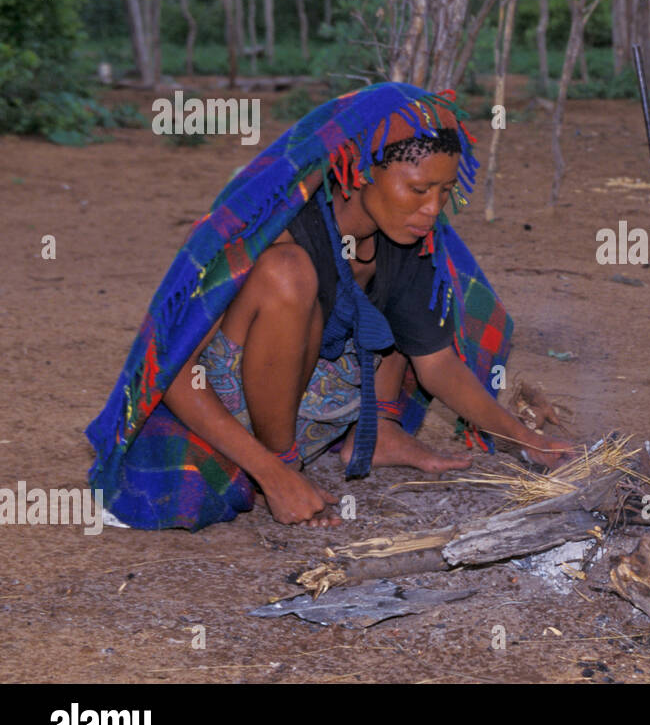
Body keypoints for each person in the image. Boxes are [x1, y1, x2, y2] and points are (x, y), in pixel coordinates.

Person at [86, 82, 570, 531]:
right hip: (230, 402)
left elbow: (437, 363)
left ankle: (378, 430)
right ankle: (284, 463)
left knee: (411, 287)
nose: (432, 208)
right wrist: (273, 474)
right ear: (360, 172)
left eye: (445, 192)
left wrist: (525, 440)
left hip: (316, 404)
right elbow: (171, 373)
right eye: (418, 190)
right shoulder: (280, 221)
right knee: (289, 274)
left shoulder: (407, 233)